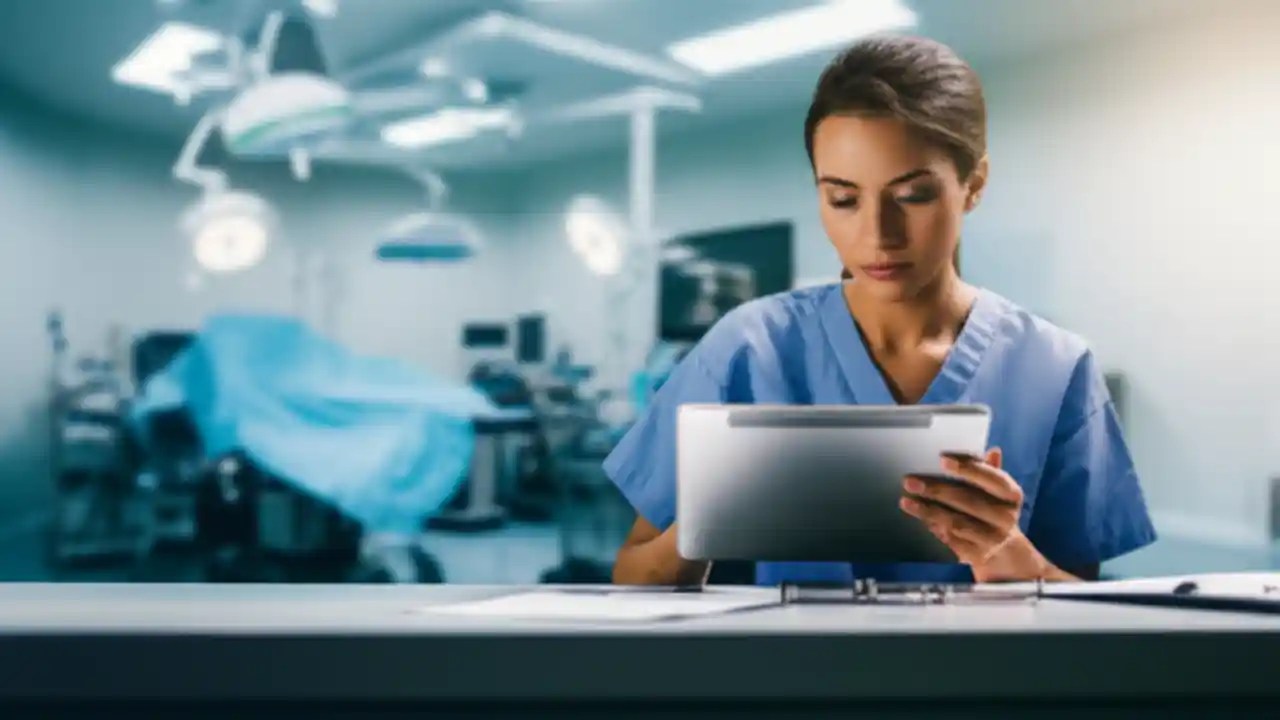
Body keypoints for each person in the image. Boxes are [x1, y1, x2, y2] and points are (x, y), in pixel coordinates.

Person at [603, 34, 1156, 587]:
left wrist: (1007, 555)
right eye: (843, 199)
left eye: (913, 196)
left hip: (984, 650)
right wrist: (710, 517)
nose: (878, 235)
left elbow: (1083, 608)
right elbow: (633, 578)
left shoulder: (1054, 368)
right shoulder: (749, 348)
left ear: (973, 185)